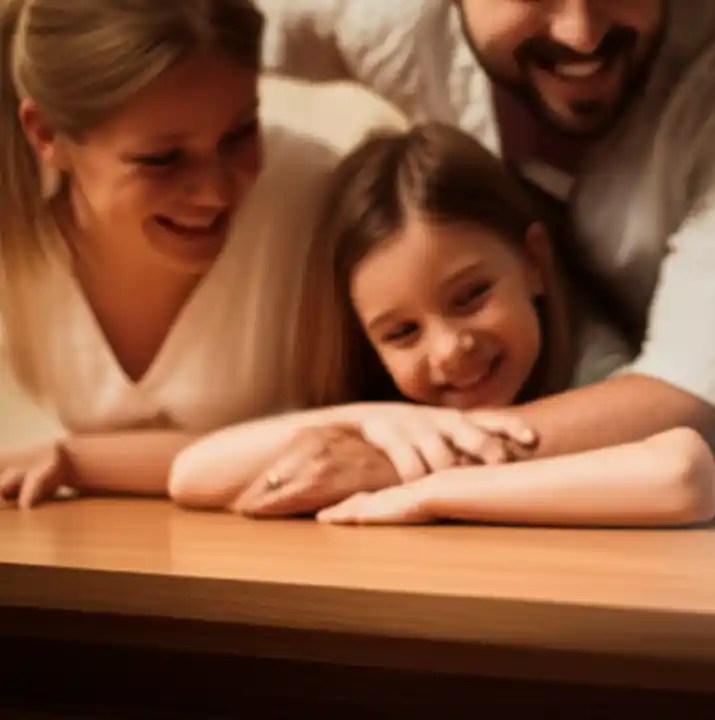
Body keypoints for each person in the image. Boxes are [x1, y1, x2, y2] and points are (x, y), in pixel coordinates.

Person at [250, 0, 715, 519]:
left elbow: (699, 418)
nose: (581, 33)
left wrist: (405, 461)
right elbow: (214, 30)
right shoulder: (387, 18)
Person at [0, 0, 510, 509]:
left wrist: (83, 458)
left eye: (240, 134)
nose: (214, 192)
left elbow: (394, 425)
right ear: (46, 135)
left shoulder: (319, 200)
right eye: (162, 160)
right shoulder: (16, 234)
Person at [167, 123, 715, 527]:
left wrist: (427, 489)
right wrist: (367, 418)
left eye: (472, 296)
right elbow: (193, 474)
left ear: (533, 261)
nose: (451, 349)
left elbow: (680, 474)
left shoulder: (590, 369)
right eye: (401, 333)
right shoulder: (395, 421)